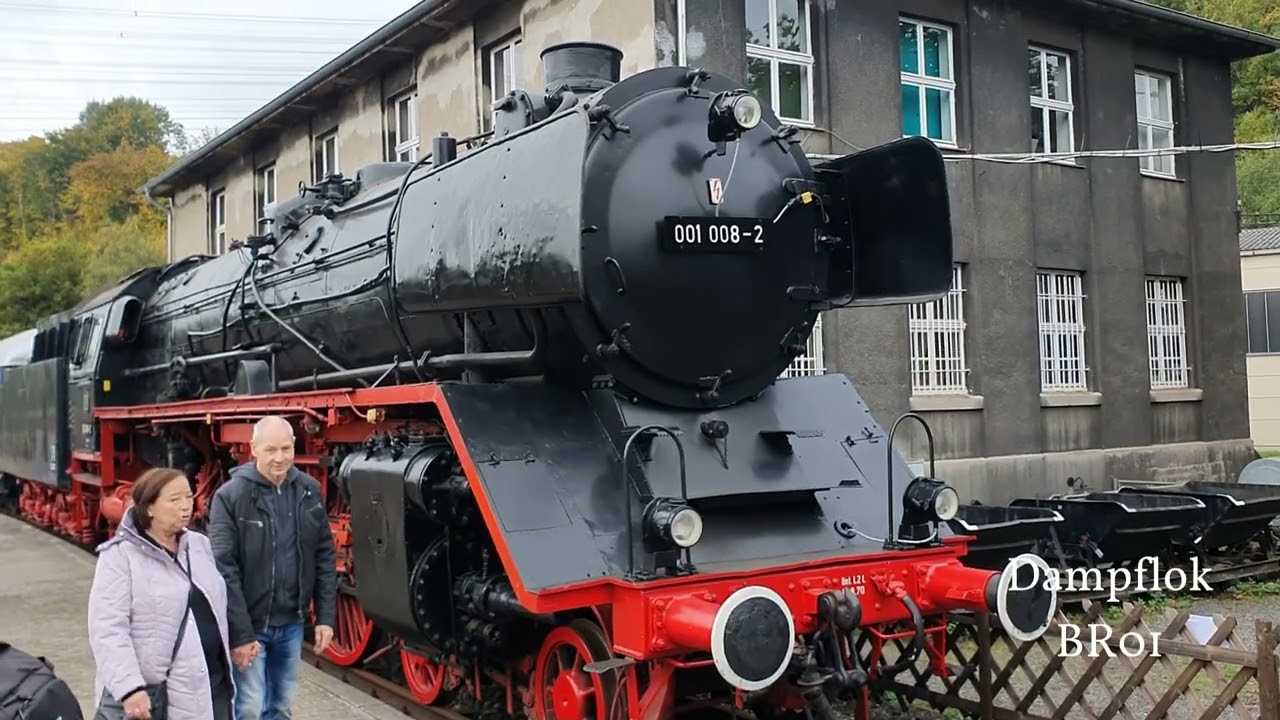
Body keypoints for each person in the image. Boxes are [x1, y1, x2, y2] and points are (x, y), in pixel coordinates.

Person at [208, 416, 337, 720]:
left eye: (285, 449)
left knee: (280, 707)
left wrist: (326, 617)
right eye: (270, 450)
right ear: (253, 449)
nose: (280, 458)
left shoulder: (308, 491)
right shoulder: (230, 497)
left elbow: (324, 555)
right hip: (251, 625)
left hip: (291, 622)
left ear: (294, 447)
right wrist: (239, 634)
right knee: (250, 708)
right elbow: (224, 569)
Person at [87, 467, 235, 720]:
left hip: (210, 682)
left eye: (188, 497)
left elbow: (219, 601)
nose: (186, 506)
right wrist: (129, 689)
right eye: (175, 499)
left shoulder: (199, 546)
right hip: (156, 692)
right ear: (150, 508)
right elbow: (108, 629)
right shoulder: (119, 556)